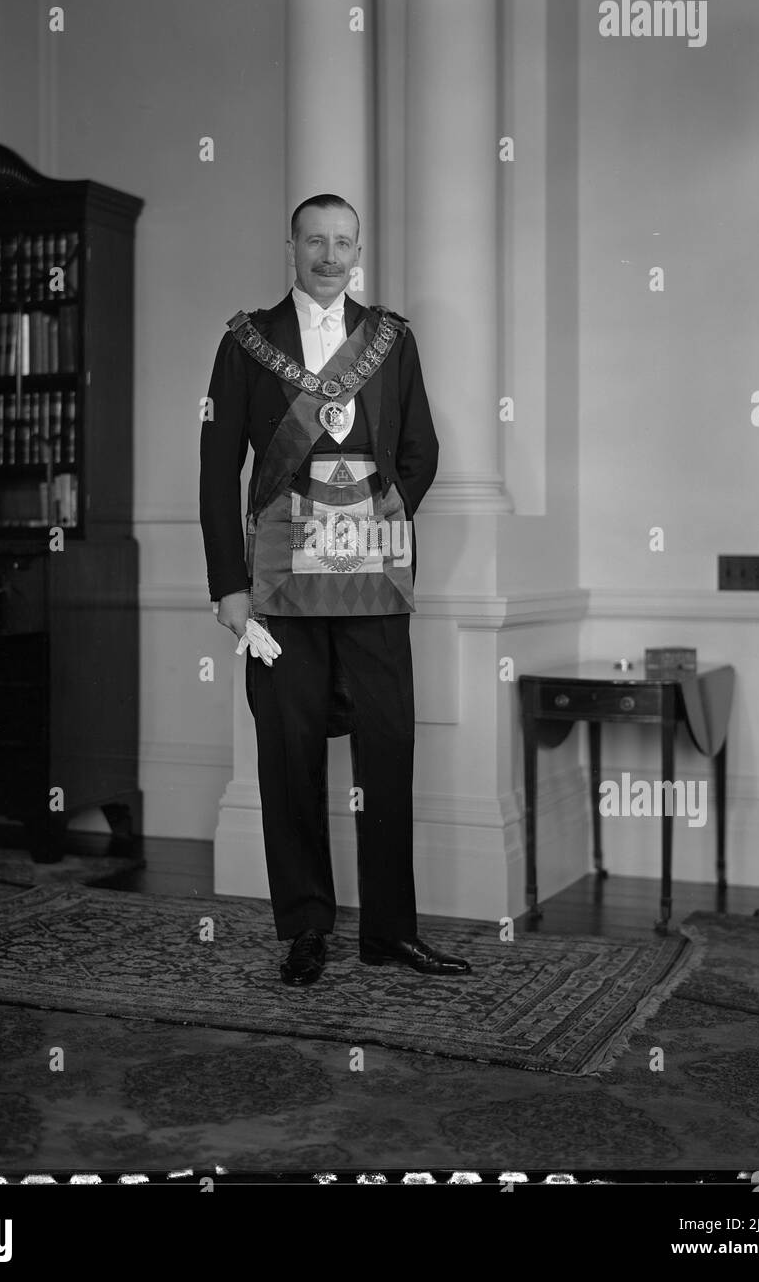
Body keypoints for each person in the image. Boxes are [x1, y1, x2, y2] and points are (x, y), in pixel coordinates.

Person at [200, 194, 471, 986]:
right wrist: (227, 585)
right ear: (290, 245)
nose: (328, 255)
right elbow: (219, 470)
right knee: (288, 754)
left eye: (342, 242)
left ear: (359, 250)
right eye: (314, 240)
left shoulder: (389, 341)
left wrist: (377, 519)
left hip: (373, 578)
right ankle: (305, 929)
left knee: (387, 746)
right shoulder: (246, 343)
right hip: (279, 584)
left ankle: (389, 931)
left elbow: (418, 450)